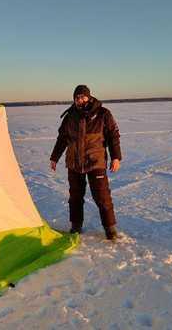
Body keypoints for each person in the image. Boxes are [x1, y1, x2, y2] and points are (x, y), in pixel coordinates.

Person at [50, 85, 122, 240]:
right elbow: (62, 139)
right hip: (74, 164)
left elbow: (113, 137)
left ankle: (110, 229)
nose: (79, 100)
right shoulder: (70, 116)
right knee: (75, 197)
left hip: (95, 162)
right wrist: (54, 157)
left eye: (82, 97)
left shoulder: (103, 114)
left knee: (102, 197)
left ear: (89, 97)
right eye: (77, 97)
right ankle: (76, 225)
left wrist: (116, 157)